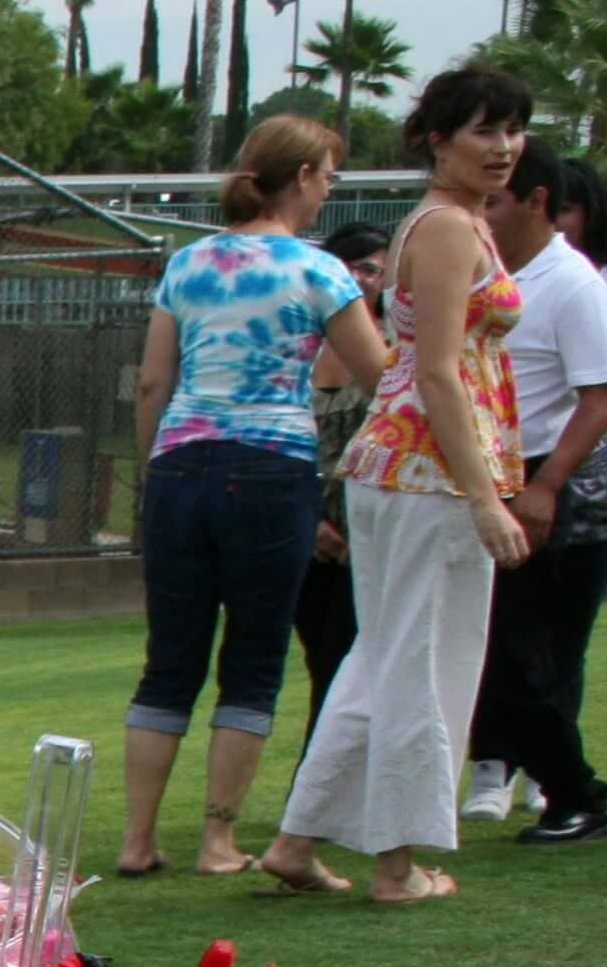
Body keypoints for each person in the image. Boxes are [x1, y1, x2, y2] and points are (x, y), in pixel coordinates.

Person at [261, 70, 537, 906]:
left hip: (404, 468)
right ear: (438, 140)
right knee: (425, 659)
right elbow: (440, 372)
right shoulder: (448, 227)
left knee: (383, 656)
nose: (503, 147)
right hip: (430, 473)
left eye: (513, 130)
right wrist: (484, 496)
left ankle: (296, 841)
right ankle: (396, 866)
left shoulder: (453, 221)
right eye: (484, 130)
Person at [118, 116, 388, 878]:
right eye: (328, 175)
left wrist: (154, 470)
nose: (329, 190)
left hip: (180, 467)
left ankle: (138, 841)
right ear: (301, 177)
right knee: (254, 658)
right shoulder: (320, 270)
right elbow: (379, 375)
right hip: (273, 469)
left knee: (170, 659)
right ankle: (218, 842)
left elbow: (153, 381)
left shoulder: (188, 264)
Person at [464, 142, 607, 841]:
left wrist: (547, 485)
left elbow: (601, 397)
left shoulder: (574, 284)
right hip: (485, 473)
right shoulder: (491, 272)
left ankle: (574, 795)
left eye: (494, 200)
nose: (482, 211)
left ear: (537, 203)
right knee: (501, 653)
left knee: (523, 656)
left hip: (529, 476)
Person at [292, 224, 394, 739]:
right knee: (318, 653)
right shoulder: (298, 345)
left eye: (375, 269)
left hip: (368, 528)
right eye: (352, 266)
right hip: (303, 521)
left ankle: (319, 772)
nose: (362, 278)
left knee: (344, 655)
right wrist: (310, 520)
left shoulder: (395, 347)